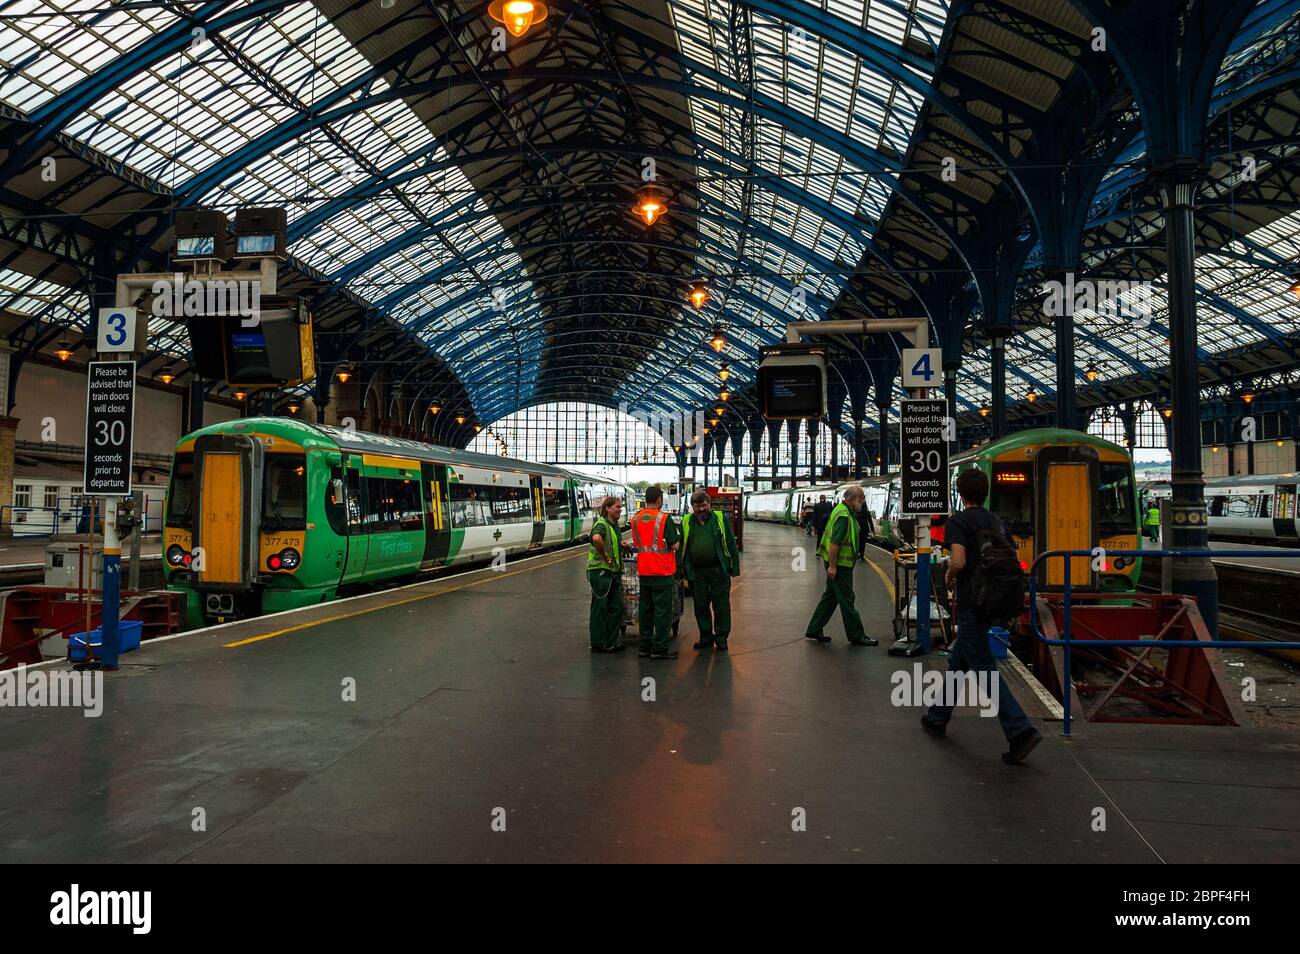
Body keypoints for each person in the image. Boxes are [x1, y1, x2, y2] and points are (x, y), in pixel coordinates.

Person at [920, 468, 1042, 765]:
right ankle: (938, 715)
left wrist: (948, 576)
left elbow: (959, 561)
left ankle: (1020, 730)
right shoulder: (996, 521)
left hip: (973, 602)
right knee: (960, 659)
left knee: (983, 666)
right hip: (995, 601)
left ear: (960, 494)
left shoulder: (958, 521)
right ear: (985, 492)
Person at [804, 485, 878, 646]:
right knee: (847, 599)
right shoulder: (844, 515)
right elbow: (835, 543)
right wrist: (832, 566)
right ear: (852, 499)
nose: (863, 502)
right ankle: (856, 635)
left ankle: (814, 629)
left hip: (839, 563)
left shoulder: (843, 511)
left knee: (830, 597)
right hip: (840, 565)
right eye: (861, 499)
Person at [681, 489, 740, 651]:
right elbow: (681, 548)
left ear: (709, 504)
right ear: (692, 507)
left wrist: (734, 568)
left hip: (718, 571)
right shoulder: (687, 521)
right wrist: (681, 570)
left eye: (704, 505)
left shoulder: (719, 519)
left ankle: (721, 638)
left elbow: (730, 543)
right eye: (697, 506)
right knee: (700, 605)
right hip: (697, 572)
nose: (701, 509)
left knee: (721, 605)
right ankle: (705, 636)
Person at [631, 485, 681, 659]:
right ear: (659, 499)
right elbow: (674, 545)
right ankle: (660, 647)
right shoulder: (663, 518)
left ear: (646, 499)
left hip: (644, 570)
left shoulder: (635, 518)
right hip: (662, 571)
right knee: (663, 611)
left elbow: (638, 544)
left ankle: (644, 645)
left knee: (645, 609)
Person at [586, 495, 625, 653]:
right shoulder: (601, 524)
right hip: (600, 572)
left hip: (612, 573)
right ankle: (599, 643)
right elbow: (596, 538)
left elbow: (611, 542)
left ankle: (610, 640)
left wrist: (621, 545)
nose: (620, 509)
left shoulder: (613, 525)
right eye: (617, 507)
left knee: (617, 606)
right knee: (600, 607)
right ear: (607, 508)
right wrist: (606, 557)